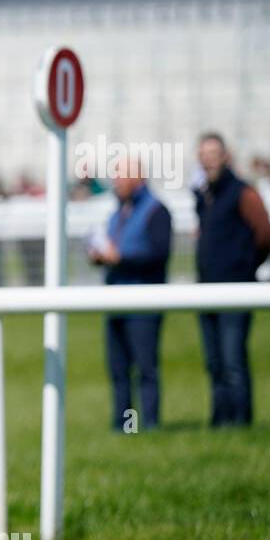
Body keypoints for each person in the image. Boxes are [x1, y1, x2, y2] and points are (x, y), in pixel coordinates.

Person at [194, 133, 270, 427]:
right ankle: (220, 421)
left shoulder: (242, 192)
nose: (208, 160)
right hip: (207, 291)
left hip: (235, 290)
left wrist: (245, 266)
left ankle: (240, 422)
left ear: (225, 156)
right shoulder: (205, 195)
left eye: (213, 153)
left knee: (232, 361)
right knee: (214, 362)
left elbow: (267, 234)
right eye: (203, 154)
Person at [88, 163, 172, 431]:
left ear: (138, 177)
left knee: (145, 369)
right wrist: (101, 257)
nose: (115, 182)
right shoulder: (117, 213)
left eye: (120, 176)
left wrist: (121, 258)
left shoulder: (156, 211)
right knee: (119, 370)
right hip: (116, 300)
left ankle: (150, 426)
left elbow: (159, 254)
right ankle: (125, 426)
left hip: (144, 303)